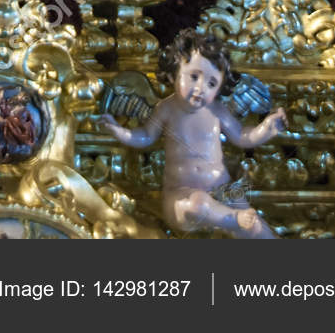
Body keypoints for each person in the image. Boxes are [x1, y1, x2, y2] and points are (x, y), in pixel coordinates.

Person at [101, 30, 286, 238]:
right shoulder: (166, 109)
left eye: (211, 83)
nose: (201, 88)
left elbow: (242, 136)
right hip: (180, 194)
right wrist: (119, 131)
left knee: (256, 227)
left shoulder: (217, 111)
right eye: (194, 77)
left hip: (222, 188)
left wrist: (267, 128)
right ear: (173, 74)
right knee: (199, 204)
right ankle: (233, 219)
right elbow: (145, 136)